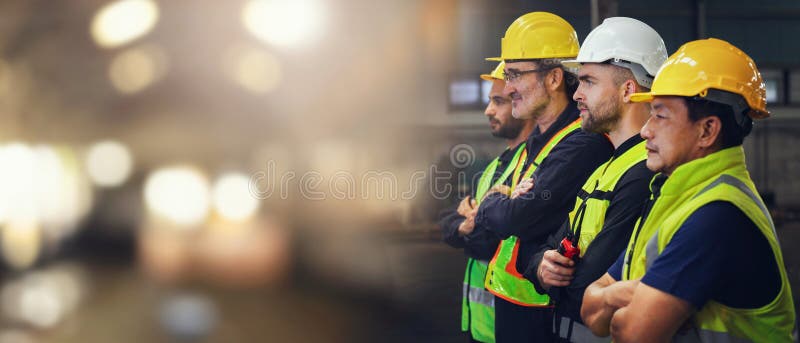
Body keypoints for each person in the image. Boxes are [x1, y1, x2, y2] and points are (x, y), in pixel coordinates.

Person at [581, 38, 796, 342]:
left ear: (707, 130)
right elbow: (590, 311)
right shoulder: (673, 197)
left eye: (660, 115)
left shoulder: (718, 215)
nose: (646, 130)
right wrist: (624, 294)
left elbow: (631, 333)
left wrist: (613, 298)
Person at [521, 17, 668, 342]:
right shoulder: (606, 168)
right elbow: (537, 256)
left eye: (588, 82)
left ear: (628, 90)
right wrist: (542, 266)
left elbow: (586, 285)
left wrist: (552, 279)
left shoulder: (644, 174)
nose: (576, 94)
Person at [474, 12, 614, 342]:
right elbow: (514, 215)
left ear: (553, 79)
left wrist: (493, 201)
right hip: (518, 306)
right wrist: (504, 206)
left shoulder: (581, 144)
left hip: (542, 314)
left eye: (514, 75)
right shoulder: (538, 140)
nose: (508, 88)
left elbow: (518, 218)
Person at [439, 61, 535, 343]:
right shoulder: (494, 167)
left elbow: (489, 242)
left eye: (498, 101)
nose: (488, 110)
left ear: (523, 103)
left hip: (510, 328)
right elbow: (448, 220)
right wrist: (464, 226)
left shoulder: (531, 167)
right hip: (480, 326)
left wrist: (470, 228)